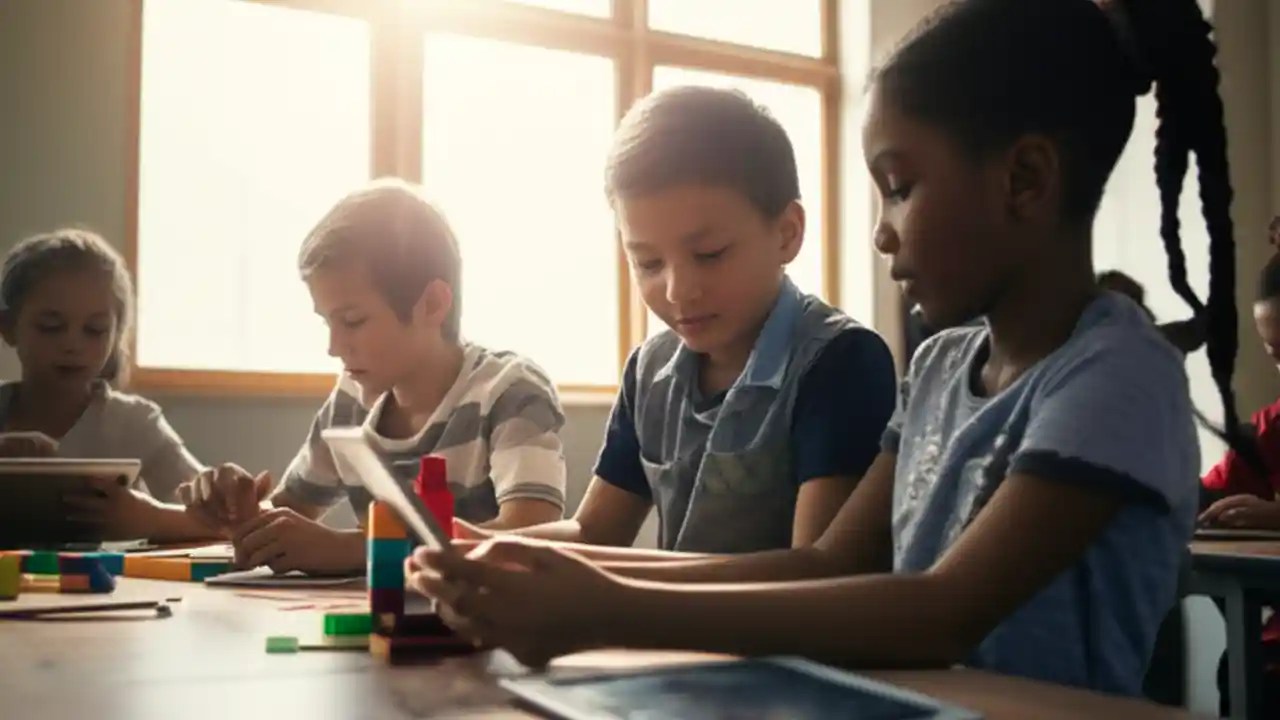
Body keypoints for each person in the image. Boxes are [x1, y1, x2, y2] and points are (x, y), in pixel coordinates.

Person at [410, 0, 1250, 697]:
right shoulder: (941, 368)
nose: (882, 234)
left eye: (899, 187)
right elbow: (832, 561)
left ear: (1024, 180)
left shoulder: (1117, 370)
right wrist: (562, 581)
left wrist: (609, 608)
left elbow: (941, 612)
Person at [453, 86, 896, 558]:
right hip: (667, 629)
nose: (677, 290)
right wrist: (481, 547)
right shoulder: (650, 371)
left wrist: (623, 594)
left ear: (787, 234)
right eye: (647, 263)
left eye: (709, 255)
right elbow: (594, 534)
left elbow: (813, 579)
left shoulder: (840, 361)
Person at [181, 179, 568, 573]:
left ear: (432, 304)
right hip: (382, 624)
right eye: (327, 322)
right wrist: (239, 511)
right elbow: (287, 513)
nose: (333, 346)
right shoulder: (351, 399)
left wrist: (354, 549)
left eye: (353, 321)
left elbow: (531, 533)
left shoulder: (510, 393)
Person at [0, 229, 212, 541]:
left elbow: (214, 518)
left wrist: (150, 518)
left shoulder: (135, 424)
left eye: (95, 330)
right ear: (8, 328)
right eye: (51, 327)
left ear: (116, 335)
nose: (72, 345)